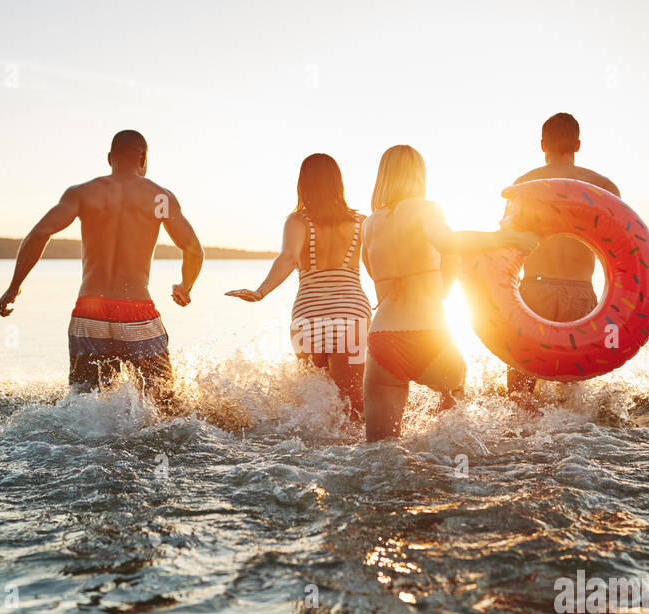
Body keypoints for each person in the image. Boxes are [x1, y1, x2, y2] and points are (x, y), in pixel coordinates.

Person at [0, 130, 204, 405]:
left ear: (109, 159)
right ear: (144, 158)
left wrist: (14, 288)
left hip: (89, 312)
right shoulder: (159, 199)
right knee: (164, 404)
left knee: (83, 405)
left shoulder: (82, 194)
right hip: (136, 311)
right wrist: (184, 286)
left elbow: (39, 234)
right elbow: (193, 250)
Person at [362, 145, 539, 441]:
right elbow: (447, 243)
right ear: (419, 175)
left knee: (379, 449)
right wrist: (506, 238)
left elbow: (375, 275)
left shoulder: (369, 224)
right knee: (454, 391)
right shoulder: (426, 208)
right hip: (426, 333)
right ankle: (442, 466)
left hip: (381, 340)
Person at [226, 154, 371, 420]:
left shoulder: (297, 221)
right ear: (338, 182)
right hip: (351, 313)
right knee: (355, 405)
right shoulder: (361, 222)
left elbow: (288, 258)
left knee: (314, 406)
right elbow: (377, 264)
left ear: (303, 184)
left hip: (309, 316)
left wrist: (261, 292)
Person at [506, 113, 620, 406]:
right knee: (572, 400)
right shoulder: (603, 186)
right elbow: (621, 247)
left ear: (542, 145)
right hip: (581, 295)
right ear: (578, 145)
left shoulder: (523, 186)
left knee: (519, 395)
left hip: (533, 292)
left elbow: (505, 243)